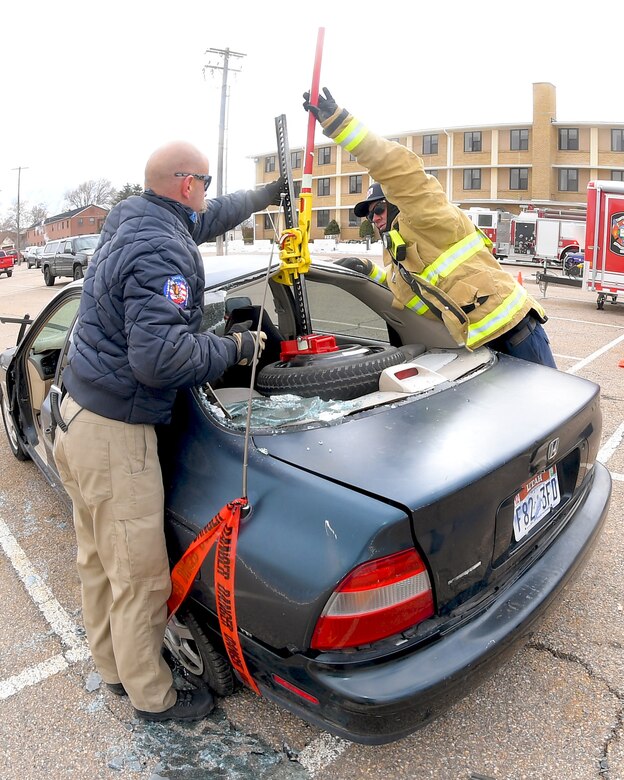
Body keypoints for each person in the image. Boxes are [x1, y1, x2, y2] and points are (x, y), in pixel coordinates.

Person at [52, 140, 282, 723]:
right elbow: (158, 359)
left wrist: (265, 196)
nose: (208, 194)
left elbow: (212, 215)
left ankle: (111, 668)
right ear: (185, 185)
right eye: (205, 182)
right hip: (114, 434)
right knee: (141, 576)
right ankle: (152, 696)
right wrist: (236, 345)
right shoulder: (163, 252)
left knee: (99, 561)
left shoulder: (135, 221)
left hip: (77, 416)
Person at [303, 89, 556, 368]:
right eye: (369, 216)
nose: (374, 219)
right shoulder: (399, 252)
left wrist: (340, 125)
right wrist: (367, 271)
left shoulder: (428, 216)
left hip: (515, 334)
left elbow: (398, 168)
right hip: (476, 349)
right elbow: (410, 297)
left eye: (378, 209)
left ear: (398, 202)